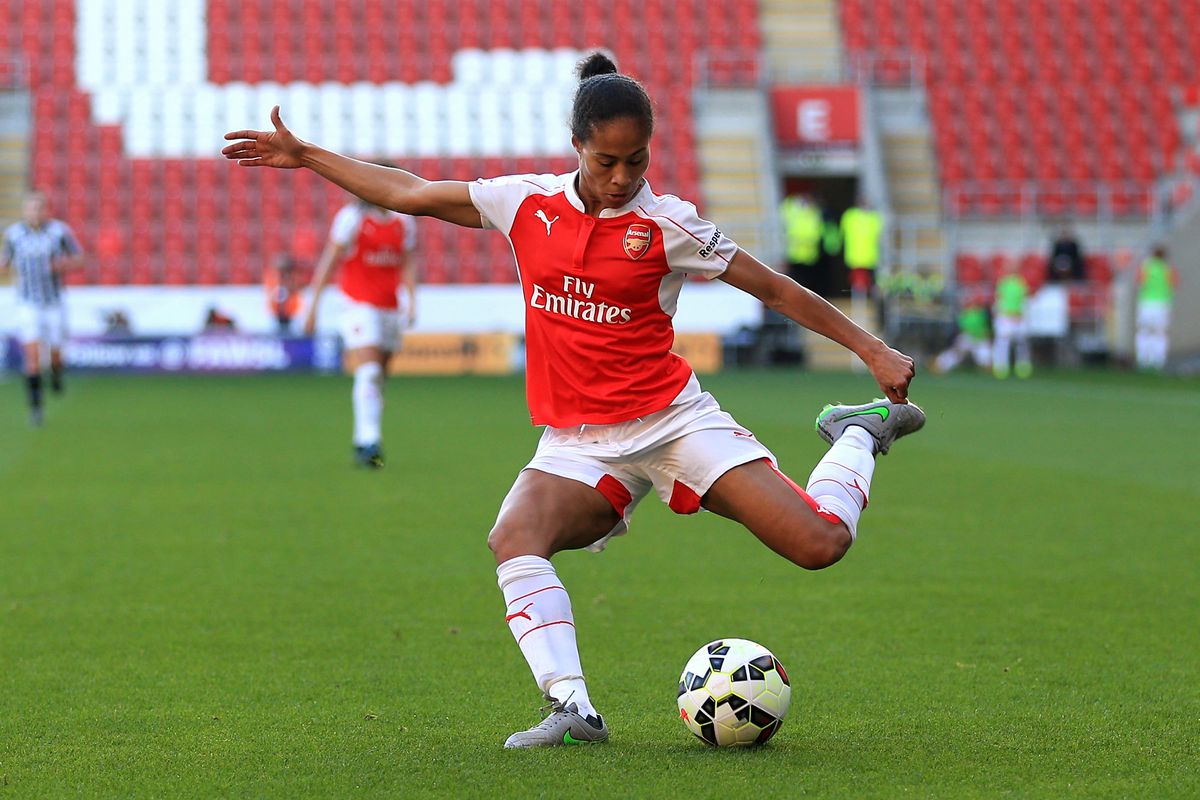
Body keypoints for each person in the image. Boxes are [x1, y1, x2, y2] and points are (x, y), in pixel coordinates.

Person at [223, 52, 923, 748]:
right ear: (576, 148)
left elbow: (774, 288)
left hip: (674, 423)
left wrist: (870, 348)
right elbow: (408, 191)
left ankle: (856, 434)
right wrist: (308, 154)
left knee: (820, 544)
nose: (622, 179)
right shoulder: (524, 202)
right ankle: (572, 709)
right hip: (580, 442)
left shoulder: (669, 224)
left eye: (637, 162)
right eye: (607, 162)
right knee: (514, 537)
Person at [302, 183, 418, 469]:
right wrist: (312, 306)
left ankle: (362, 441)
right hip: (358, 305)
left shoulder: (404, 221)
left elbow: (406, 263)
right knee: (369, 370)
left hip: (390, 307)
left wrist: (412, 300)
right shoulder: (351, 218)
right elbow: (330, 262)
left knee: (378, 378)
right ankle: (370, 442)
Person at [0, 192, 83, 426]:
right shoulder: (14, 235)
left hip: (54, 302)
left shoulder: (59, 232)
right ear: (25, 211)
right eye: (31, 209)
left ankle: (56, 373)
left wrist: (63, 264)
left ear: (46, 211)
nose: (35, 213)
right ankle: (36, 407)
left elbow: (80, 258)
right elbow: (5, 263)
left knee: (55, 353)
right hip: (27, 302)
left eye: (39, 209)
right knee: (33, 356)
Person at [1134, 245, 1179, 370]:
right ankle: (1158, 360)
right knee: (1160, 333)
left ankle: (1143, 359)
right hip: (1163, 304)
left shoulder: (1146, 266)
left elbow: (1139, 282)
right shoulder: (1168, 267)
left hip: (1147, 303)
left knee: (1144, 331)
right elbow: (1174, 285)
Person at [991, 257, 1032, 379]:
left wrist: (1021, 314)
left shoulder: (1021, 283)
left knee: (1022, 342)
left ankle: (1023, 367)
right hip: (1005, 316)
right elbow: (998, 300)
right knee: (1003, 342)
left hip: (1018, 316)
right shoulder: (1003, 283)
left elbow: (1024, 300)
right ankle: (1001, 368)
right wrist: (1000, 313)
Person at [779, 192, 827, 296]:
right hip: (795, 254)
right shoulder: (792, 210)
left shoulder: (813, 213)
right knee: (796, 281)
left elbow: (817, 231)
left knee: (809, 282)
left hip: (809, 255)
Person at [933, 292, 991, 374]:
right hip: (968, 338)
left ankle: (986, 367)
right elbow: (963, 330)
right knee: (957, 353)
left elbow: (986, 329)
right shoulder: (964, 314)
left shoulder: (983, 314)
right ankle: (940, 364)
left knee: (985, 360)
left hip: (980, 339)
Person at [839, 197, 883, 295]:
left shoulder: (873, 217)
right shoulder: (850, 216)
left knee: (869, 284)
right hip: (855, 256)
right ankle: (857, 304)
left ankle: (868, 304)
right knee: (856, 284)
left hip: (869, 257)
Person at [264, 253, 303, 334]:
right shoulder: (272, 279)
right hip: (275, 315)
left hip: (291, 315)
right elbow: (271, 294)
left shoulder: (293, 279)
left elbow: (295, 291)